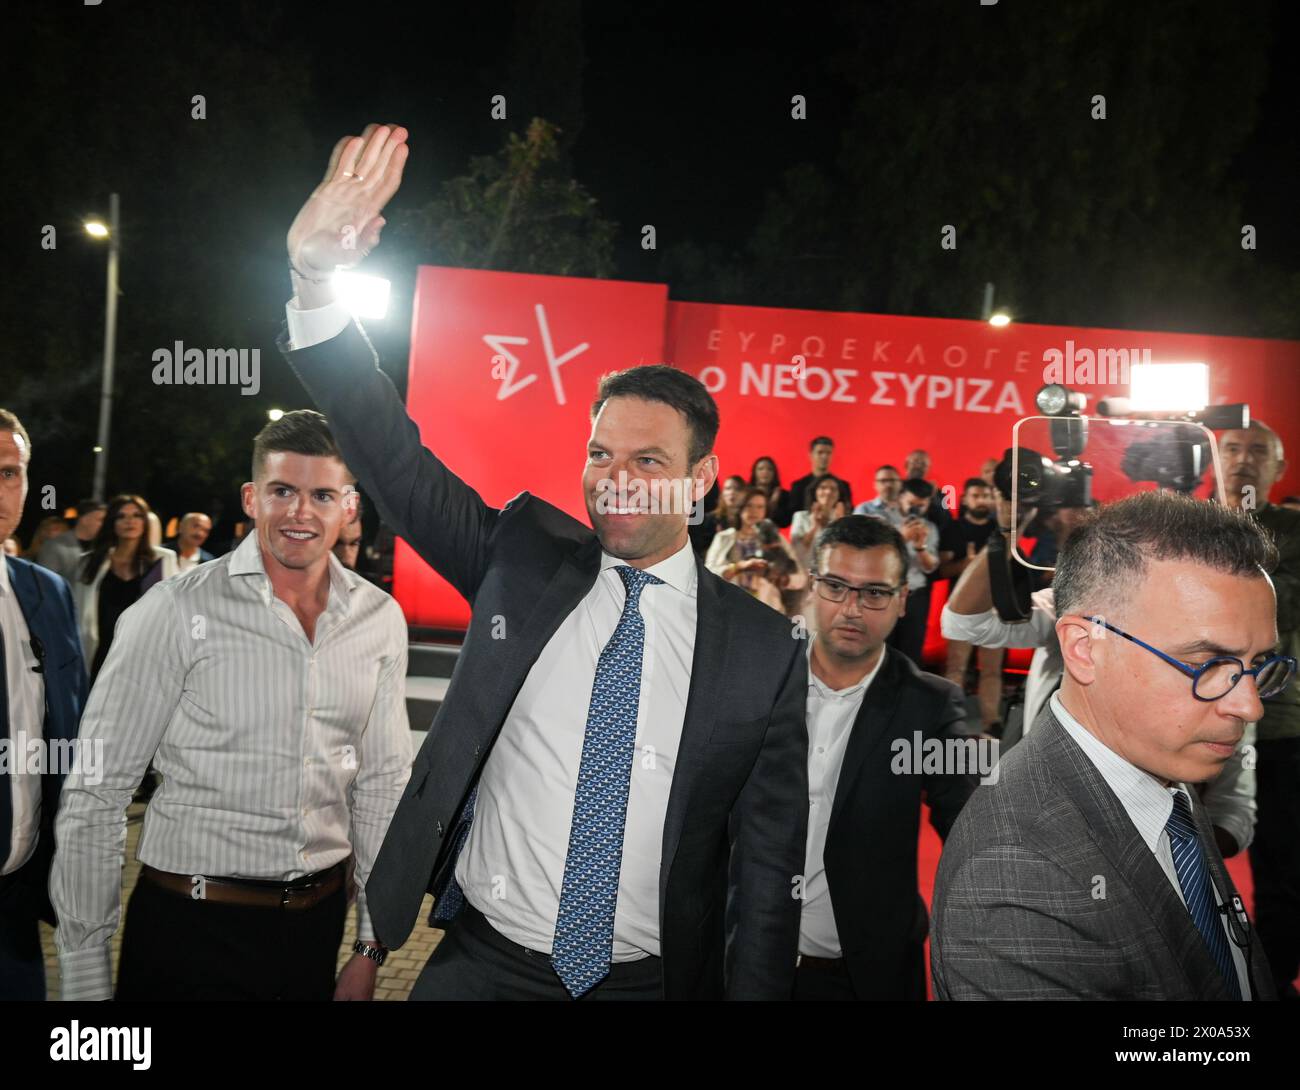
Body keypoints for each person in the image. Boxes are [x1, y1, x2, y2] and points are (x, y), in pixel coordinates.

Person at [278, 123, 808, 1001]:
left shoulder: (761, 649)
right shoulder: (522, 561)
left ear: (703, 479)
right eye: (602, 455)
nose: (616, 480)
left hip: (647, 985)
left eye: (648, 462)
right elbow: (394, 461)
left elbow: (765, 874)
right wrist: (314, 280)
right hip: (478, 968)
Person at [51, 410, 413, 1001]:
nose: (300, 512)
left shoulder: (379, 619)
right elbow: (97, 792)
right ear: (251, 498)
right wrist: (86, 982)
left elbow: (382, 786)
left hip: (314, 932)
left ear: (349, 505)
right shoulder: (170, 612)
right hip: (187, 931)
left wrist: (371, 947)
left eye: (322, 494)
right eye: (282, 491)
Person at [931, 492, 1286, 1000]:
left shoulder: (1161, 765)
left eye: (1256, 665)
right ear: (1083, 649)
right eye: (1209, 665)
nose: (1250, 706)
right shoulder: (1016, 876)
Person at [941, 500, 1257, 861]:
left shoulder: (1231, 673)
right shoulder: (1072, 606)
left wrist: (1172, 862)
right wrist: (1007, 531)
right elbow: (963, 623)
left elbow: (1235, 808)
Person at [794, 516, 976, 1000]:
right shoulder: (757, 682)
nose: (852, 608)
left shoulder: (930, 705)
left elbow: (973, 825)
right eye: (836, 586)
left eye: (874, 592)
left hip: (865, 972)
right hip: (747, 962)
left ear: (902, 601)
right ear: (812, 588)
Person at [0, 410, 88, 1000]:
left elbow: (70, 730)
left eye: (11, 472)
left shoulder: (45, 592)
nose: (0, 490)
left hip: (18, 897)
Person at [1219, 420, 1300, 998]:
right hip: (1185, 718)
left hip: (1279, 724)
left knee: (1283, 870)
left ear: (1279, 469)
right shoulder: (1179, 522)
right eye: (1232, 449)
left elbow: (1278, 615)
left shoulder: (1293, 530)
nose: (1243, 460)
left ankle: (1271, 983)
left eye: (1258, 452)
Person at [78, 494, 178, 682]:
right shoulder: (90, 562)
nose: (129, 521)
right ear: (112, 523)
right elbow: (79, 613)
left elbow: (176, 613)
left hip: (145, 660)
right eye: (121, 516)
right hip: (98, 656)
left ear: (145, 522)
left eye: (137, 516)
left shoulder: (163, 561)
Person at [939, 478, 1004, 732]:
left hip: (995, 609)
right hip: (961, 611)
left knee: (992, 671)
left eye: (986, 495)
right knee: (956, 667)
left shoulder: (1001, 529)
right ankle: (951, 722)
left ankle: (991, 723)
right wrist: (965, 566)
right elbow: (942, 569)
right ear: (965, 499)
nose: (982, 500)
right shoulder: (954, 529)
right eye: (976, 495)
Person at [864, 479, 941, 667]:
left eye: (921, 506)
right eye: (912, 504)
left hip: (915, 596)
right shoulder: (882, 520)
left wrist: (921, 548)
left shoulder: (929, 528)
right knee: (878, 651)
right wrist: (901, 537)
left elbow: (930, 567)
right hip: (884, 594)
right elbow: (870, 555)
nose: (916, 510)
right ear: (900, 498)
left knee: (911, 653)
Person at [706, 487, 807, 615]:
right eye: (749, 506)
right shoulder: (724, 538)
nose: (754, 511)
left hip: (768, 611)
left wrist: (781, 578)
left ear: (766, 511)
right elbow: (708, 575)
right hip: (731, 611)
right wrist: (738, 567)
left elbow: (800, 579)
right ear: (740, 508)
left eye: (760, 507)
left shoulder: (776, 539)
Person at [786, 437, 852, 523]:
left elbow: (848, 513)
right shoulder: (799, 486)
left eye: (828, 453)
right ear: (810, 455)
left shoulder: (843, 486)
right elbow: (791, 517)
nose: (824, 456)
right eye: (820, 452)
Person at [790, 476, 847, 572]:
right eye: (823, 488)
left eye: (833, 489)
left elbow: (846, 551)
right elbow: (797, 549)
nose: (828, 492)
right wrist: (814, 527)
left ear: (839, 495)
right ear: (815, 492)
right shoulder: (800, 516)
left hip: (833, 573)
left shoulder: (843, 519)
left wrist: (840, 522)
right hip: (805, 572)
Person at [903, 449, 952, 524]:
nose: (919, 466)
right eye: (915, 461)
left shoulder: (939, 494)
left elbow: (946, 521)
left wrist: (934, 498)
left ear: (928, 469)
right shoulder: (895, 488)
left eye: (923, 464)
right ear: (906, 465)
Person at [749, 456, 790, 528]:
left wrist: (775, 504)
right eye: (760, 469)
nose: (765, 472)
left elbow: (784, 522)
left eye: (770, 469)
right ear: (754, 472)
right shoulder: (747, 494)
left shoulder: (783, 495)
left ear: (775, 473)